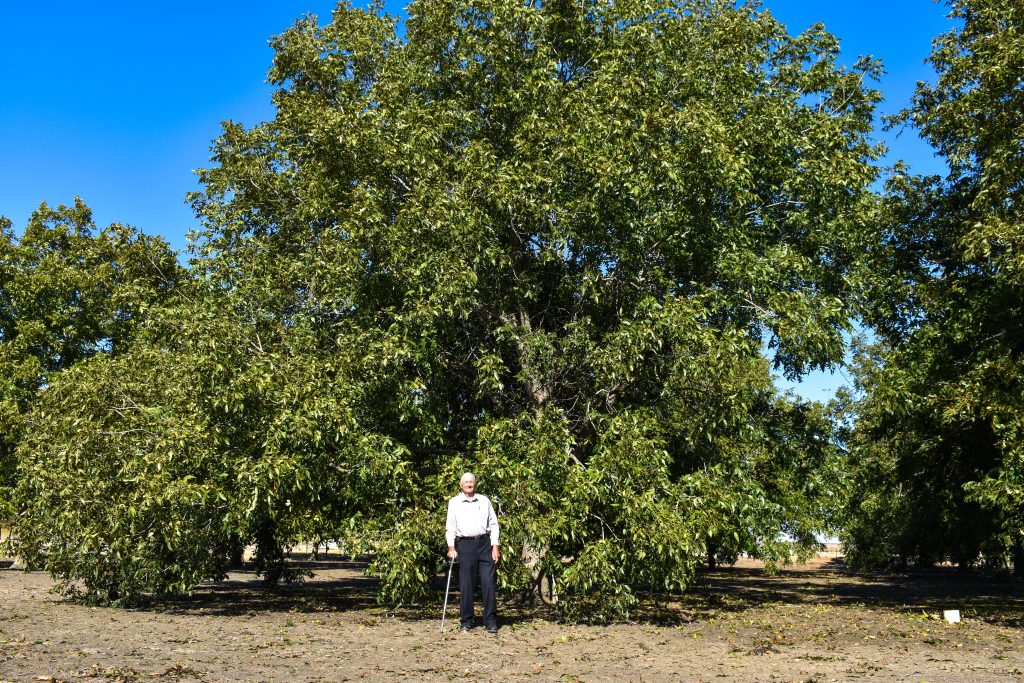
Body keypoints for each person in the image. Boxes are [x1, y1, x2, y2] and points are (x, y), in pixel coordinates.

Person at [445, 472, 500, 633]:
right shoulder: (454, 502)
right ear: (461, 485)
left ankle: (490, 620)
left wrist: (495, 545)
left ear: (475, 484)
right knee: (467, 584)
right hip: (465, 545)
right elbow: (450, 527)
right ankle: (467, 620)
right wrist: (451, 547)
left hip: (485, 544)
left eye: (472, 482)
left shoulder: (484, 500)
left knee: (488, 583)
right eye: (466, 482)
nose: (469, 484)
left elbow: (494, 524)